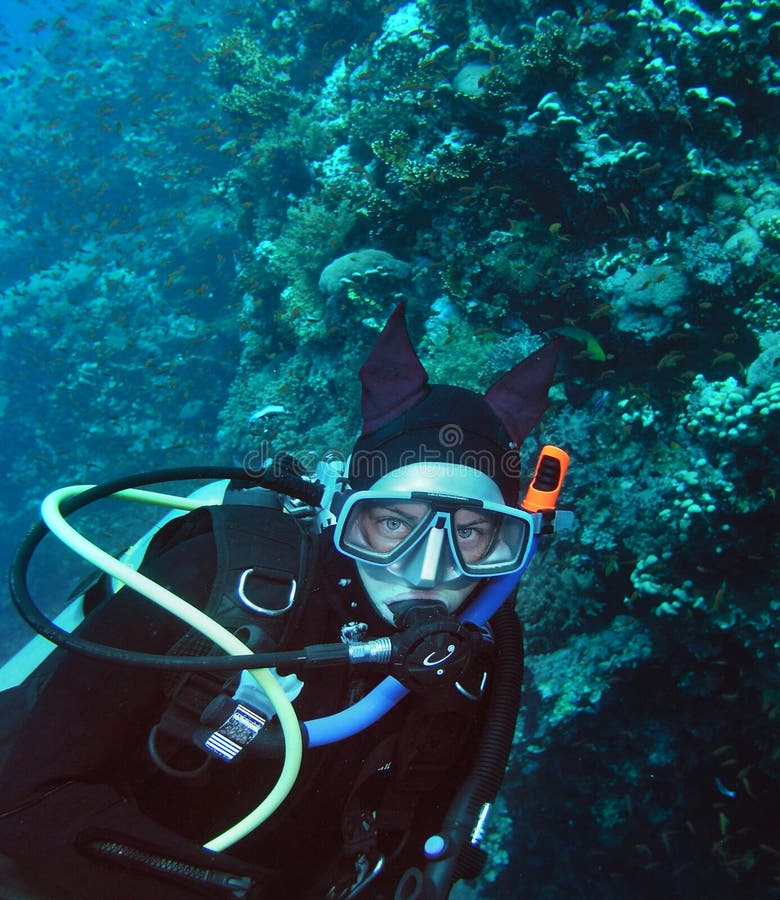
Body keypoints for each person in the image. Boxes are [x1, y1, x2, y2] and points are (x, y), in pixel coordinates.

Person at [0, 303, 567, 899]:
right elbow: (29, 805)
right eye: (394, 525)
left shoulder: (483, 655)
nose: (426, 572)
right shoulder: (218, 582)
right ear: (342, 514)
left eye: (471, 534)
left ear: (510, 541)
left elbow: (421, 847)